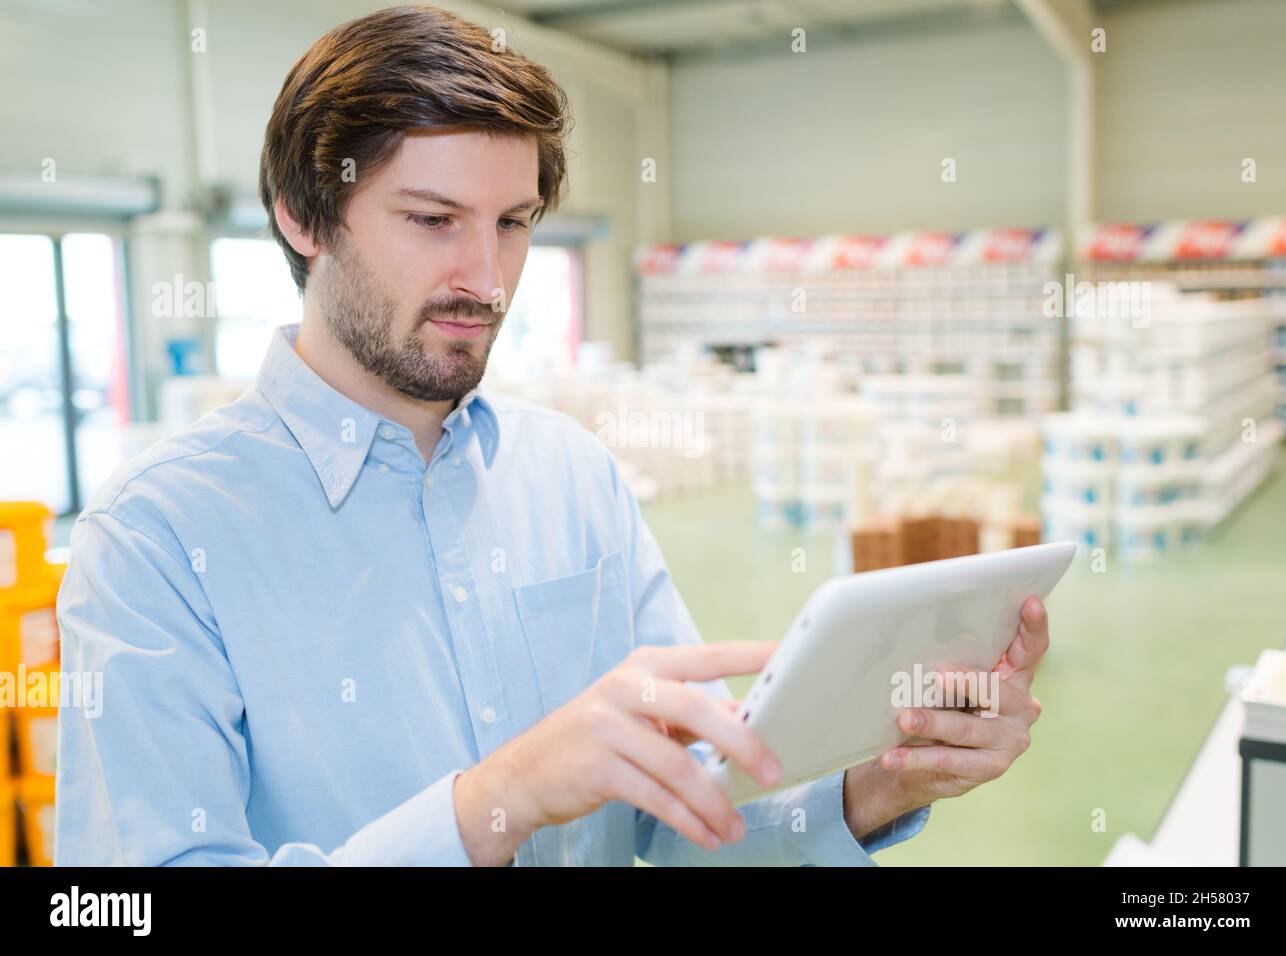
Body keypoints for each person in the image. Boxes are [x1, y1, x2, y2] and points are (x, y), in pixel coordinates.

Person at [55, 4, 1048, 866]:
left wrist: (883, 782)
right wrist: (498, 799)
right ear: (302, 217)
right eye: (434, 218)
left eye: (515, 222)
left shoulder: (570, 476)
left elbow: (683, 813)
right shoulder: (154, 539)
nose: (485, 276)